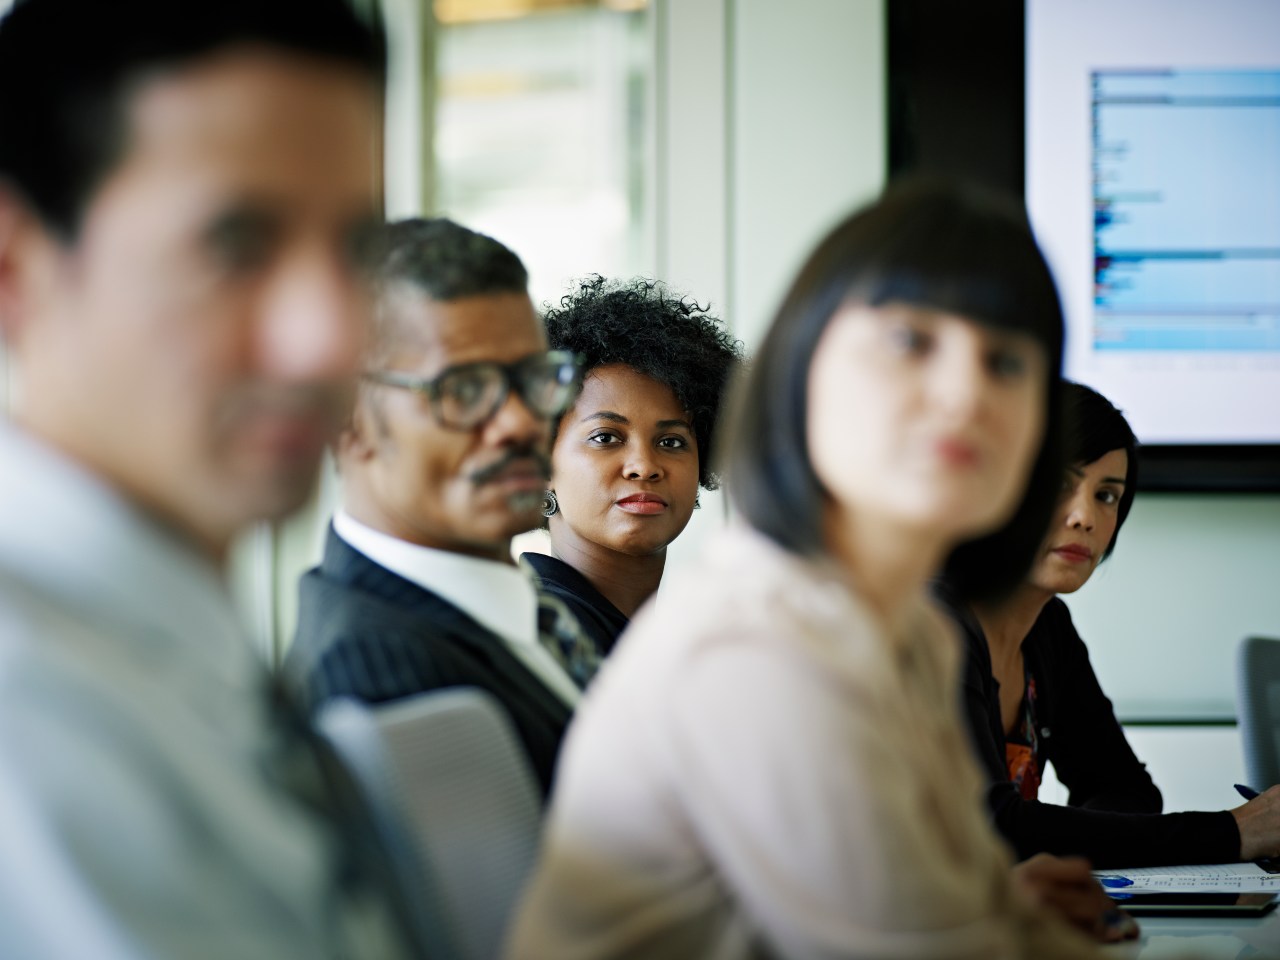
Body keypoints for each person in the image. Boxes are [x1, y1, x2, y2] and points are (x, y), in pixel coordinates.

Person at [507, 180, 1117, 959]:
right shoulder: (753, 650)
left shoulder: (913, 632)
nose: (965, 393)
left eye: (1006, 361)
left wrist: (1004, 913)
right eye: (911, 342)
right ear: (805, 376)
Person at [0, 1, 432, 957]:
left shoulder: (166, 632)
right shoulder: (29, 708)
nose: (328, 341)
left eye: (356, 251)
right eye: (236, 248)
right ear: (16, 267)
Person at [284, 217, 592, 798]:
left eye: (534, 378)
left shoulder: (522, 607)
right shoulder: (379, 685)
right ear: (346, 418)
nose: (521, 422)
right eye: (464, 389)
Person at [939, 380, 1280, 867]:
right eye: (1059, 485)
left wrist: (1065, 845)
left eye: (1106, 495)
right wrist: (1232, 831)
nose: (1085, 517)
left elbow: (1127, 790)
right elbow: (991, 826)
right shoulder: (933, 623)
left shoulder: (1047, 626)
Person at [524, 275, 743, 656]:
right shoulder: (535, 636)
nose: (644, 466)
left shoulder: (677, 640)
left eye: (671, 442)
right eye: (605, 437)